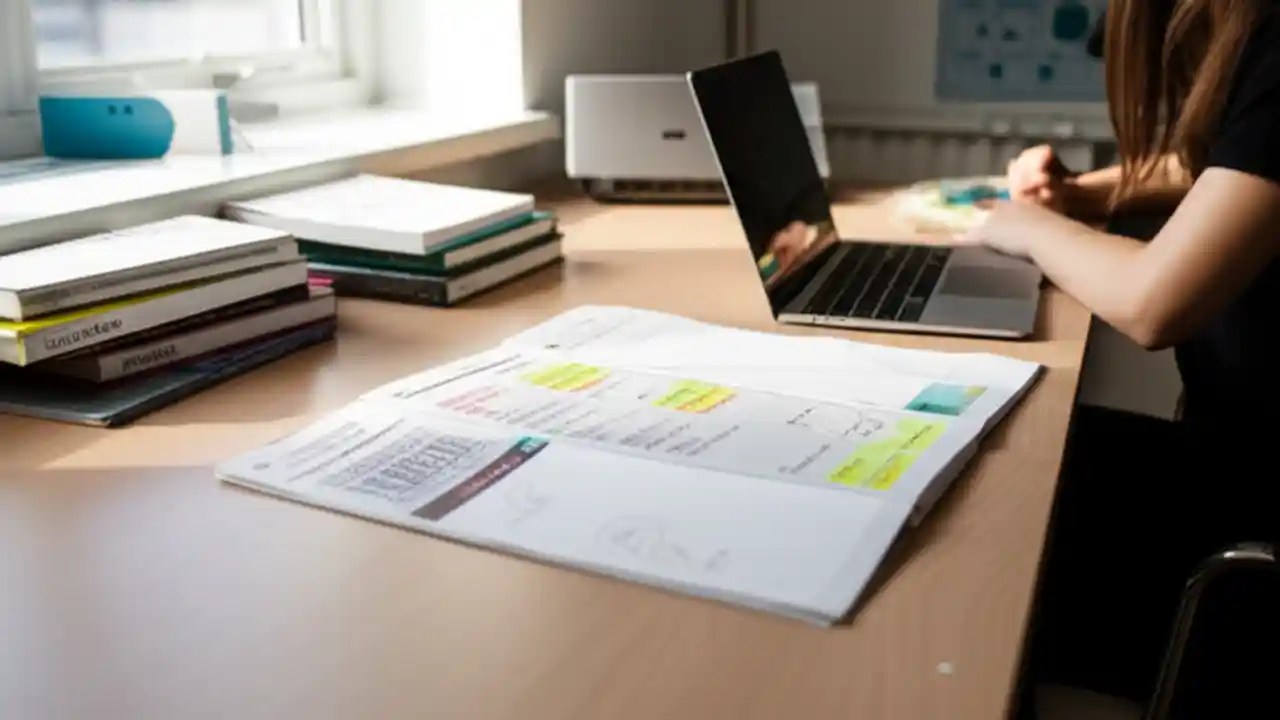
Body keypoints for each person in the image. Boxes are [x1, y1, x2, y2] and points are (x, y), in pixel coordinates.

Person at [966, 0, 1280, 712]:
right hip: (1235, 455)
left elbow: (1151, 303)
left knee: (994, 493)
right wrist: (1081, 195)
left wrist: (1024, 226)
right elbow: (1230, 163)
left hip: (1251, 509)